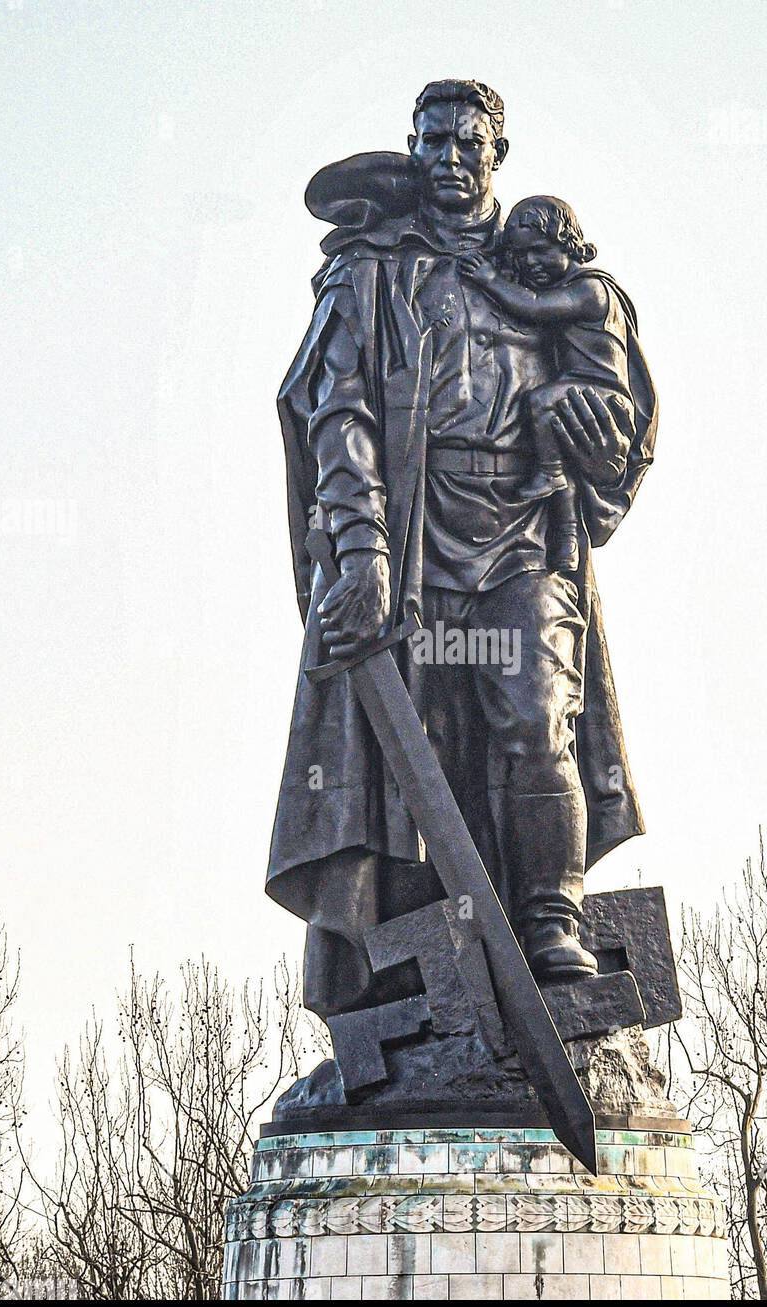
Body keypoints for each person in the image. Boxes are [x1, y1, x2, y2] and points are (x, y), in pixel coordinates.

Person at [268, 79, 658, 1016]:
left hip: (523, 534)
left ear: (497, 154)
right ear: (412, 149)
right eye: (430, 141)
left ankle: (549, 919)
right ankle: (431, 962)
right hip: (408, 543)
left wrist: (601, 429)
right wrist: (359, 550)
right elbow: (338, 415)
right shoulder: (370, 270)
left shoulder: (544, 266)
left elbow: (622, 409)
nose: (447, 158)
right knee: (419, 762)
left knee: (534, 718)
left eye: (466, 142)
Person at [459, 195, 639, 573]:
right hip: (579, 389)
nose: (530, 265)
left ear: (567, 244)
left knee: (541, 404)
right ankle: (566, 544)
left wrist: (491, 280)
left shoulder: (590, 290)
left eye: (540, 253)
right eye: (521, 257)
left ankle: (551, 472)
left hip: (599, 395)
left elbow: (535, 307)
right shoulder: (574, 286)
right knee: (560, 464)